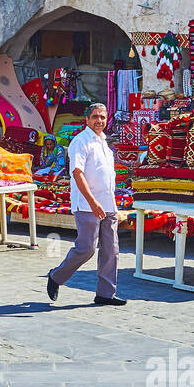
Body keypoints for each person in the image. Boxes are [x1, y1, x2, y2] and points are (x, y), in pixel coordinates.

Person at [46, 102, 127, 307]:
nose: (99, 120)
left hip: (108, 205)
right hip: (87, 205)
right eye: (95, 117)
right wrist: (93, 202)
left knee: (111, 249)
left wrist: (111, 204)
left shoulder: (104, 143)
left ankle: (106, 293)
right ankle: (56, 277)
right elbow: (77, 173)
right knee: (87, 249)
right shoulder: (80, 142)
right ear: (87, 120)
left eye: (102, 117)